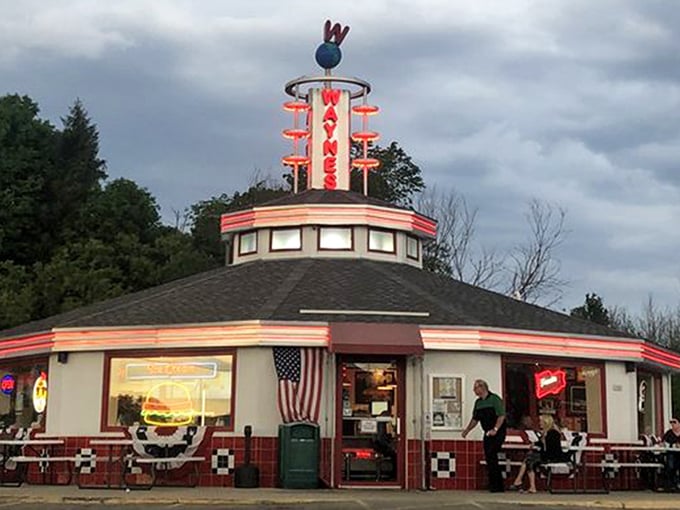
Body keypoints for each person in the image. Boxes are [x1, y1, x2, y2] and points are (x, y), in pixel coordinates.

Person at [461, 379, 506, 492]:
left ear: (482, 388)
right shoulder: (478, 403)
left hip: (498, 431)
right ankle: (494, 484)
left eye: (476, 388)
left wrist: (495, 429)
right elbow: (475, 419)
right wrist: (467, 430)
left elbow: (501, 415)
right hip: (487, 432)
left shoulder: (494, 399)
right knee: (489, 457)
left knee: (492, 454)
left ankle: (498, 486)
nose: (474, 390)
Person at [509, 413, 567, 493]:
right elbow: (540, 443)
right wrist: (535, 443)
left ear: (546, 422)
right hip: (547, 455)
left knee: (529, 459)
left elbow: (550, 448)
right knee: (529, 460)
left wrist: (542, 442)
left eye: (541, 421)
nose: (539, 423)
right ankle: (524, 483)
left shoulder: (553, 433)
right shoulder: (546, 433)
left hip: (553, 456)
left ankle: (521, 482)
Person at [662, 416, 680, 491]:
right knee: (670, 465)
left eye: (674, 422)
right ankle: (670, 484)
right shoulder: (669, 433)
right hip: (671, 453)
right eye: (671, 423)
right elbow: (663, 442)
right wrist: (672, 445)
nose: (672, 424)